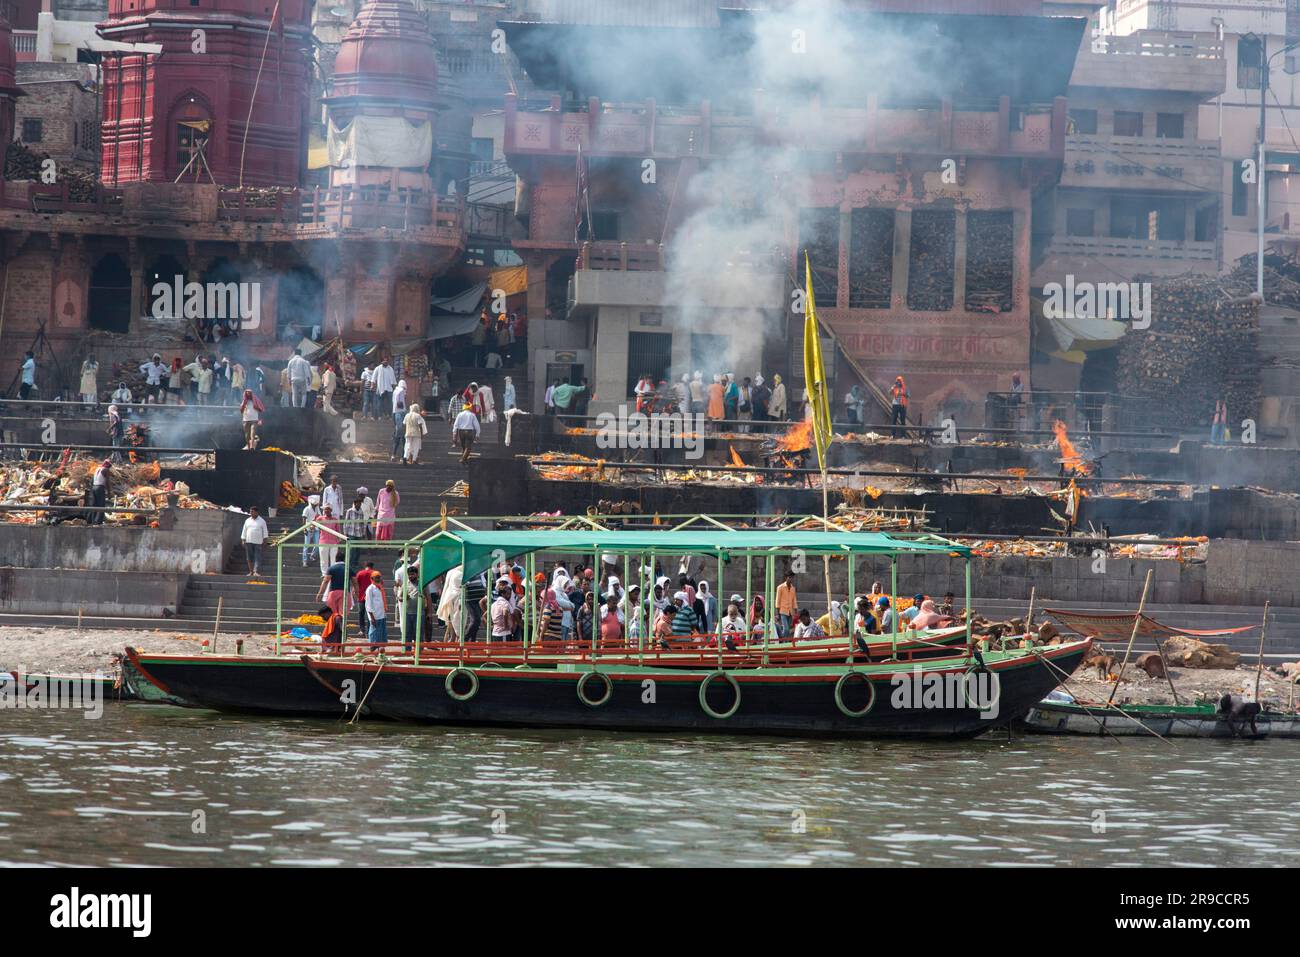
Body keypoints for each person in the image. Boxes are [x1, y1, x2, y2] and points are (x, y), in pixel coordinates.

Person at [241, 505, 269, 577]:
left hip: (258, 542)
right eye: (250, 512)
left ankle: (256, 571)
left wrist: (265, 540)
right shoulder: (247, 520)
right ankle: (251, 572)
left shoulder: (262, 521)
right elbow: (244, 530)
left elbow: (265, 532)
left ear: (257, 512)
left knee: (257, 557)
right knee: (249, 557)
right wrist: (243, 539)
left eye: (252, 512)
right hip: (248, 541)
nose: (251, 513)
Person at [353, 562, 377, 637]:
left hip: (361, 597)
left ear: (365, 566)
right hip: (372, 597)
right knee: (370, 614)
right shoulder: (374, 573)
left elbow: (355, 584)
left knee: (361, 613)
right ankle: (369, 630)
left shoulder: (360, 573)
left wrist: (355, 593)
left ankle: (362, 630)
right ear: (372, 567)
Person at [364, 570, 388, 645]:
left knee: (381, 631)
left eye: (379, 577)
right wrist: (371, 617)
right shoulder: (370, 589)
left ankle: (380, 646)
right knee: (373, 631)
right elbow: (369, 603)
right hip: (374, 615)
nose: (378, 579)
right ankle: (372, 645)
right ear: (372, 579)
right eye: (376, 578)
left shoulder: (380, 588)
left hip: (381, 614)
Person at [317, 505, 343, 574]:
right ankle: (324, 573)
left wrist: (339, 540)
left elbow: (338, 530)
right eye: (325, 509)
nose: (326, 511)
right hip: (323, 541)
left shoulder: (335, 519)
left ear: (331, 510)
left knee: (333, 559)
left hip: (334, 542)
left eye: (328, 509)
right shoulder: (320, 518)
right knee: (323, 559)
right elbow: (314, 524)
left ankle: (332, 573)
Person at [775, 571, 797, 639]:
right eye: (789, 577)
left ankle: (785, 641)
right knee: (786, 629)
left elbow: (794, 600)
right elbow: (778, 600)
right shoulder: (780, 587)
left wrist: (795, 611)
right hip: (783, 611)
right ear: (786, 578)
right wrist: (778, 613)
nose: (791, 579)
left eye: (792, 578)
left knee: (789, 629)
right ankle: (781, 640)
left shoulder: (793, 588)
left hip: (791, 611)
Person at [89, 459, 111, 525]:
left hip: (94, 487)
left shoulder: (97, 469)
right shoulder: (106, 470)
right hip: (100, 487)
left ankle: (93, 521)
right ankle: (98, 522)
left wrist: (92, 489)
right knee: (101, 505)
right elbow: (107, 482)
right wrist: (109, 492)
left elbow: (92, 481)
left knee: (95, 504)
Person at [300, 495, 320, 566]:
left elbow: (319, 516)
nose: (316, 505)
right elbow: (304, 518)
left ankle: (312, 555)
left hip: (316, 528)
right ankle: (304, 561)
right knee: (306, 545)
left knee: (317, 544)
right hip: (308, 529)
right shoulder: (307, 509)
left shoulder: (317, 509)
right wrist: (304, 529)